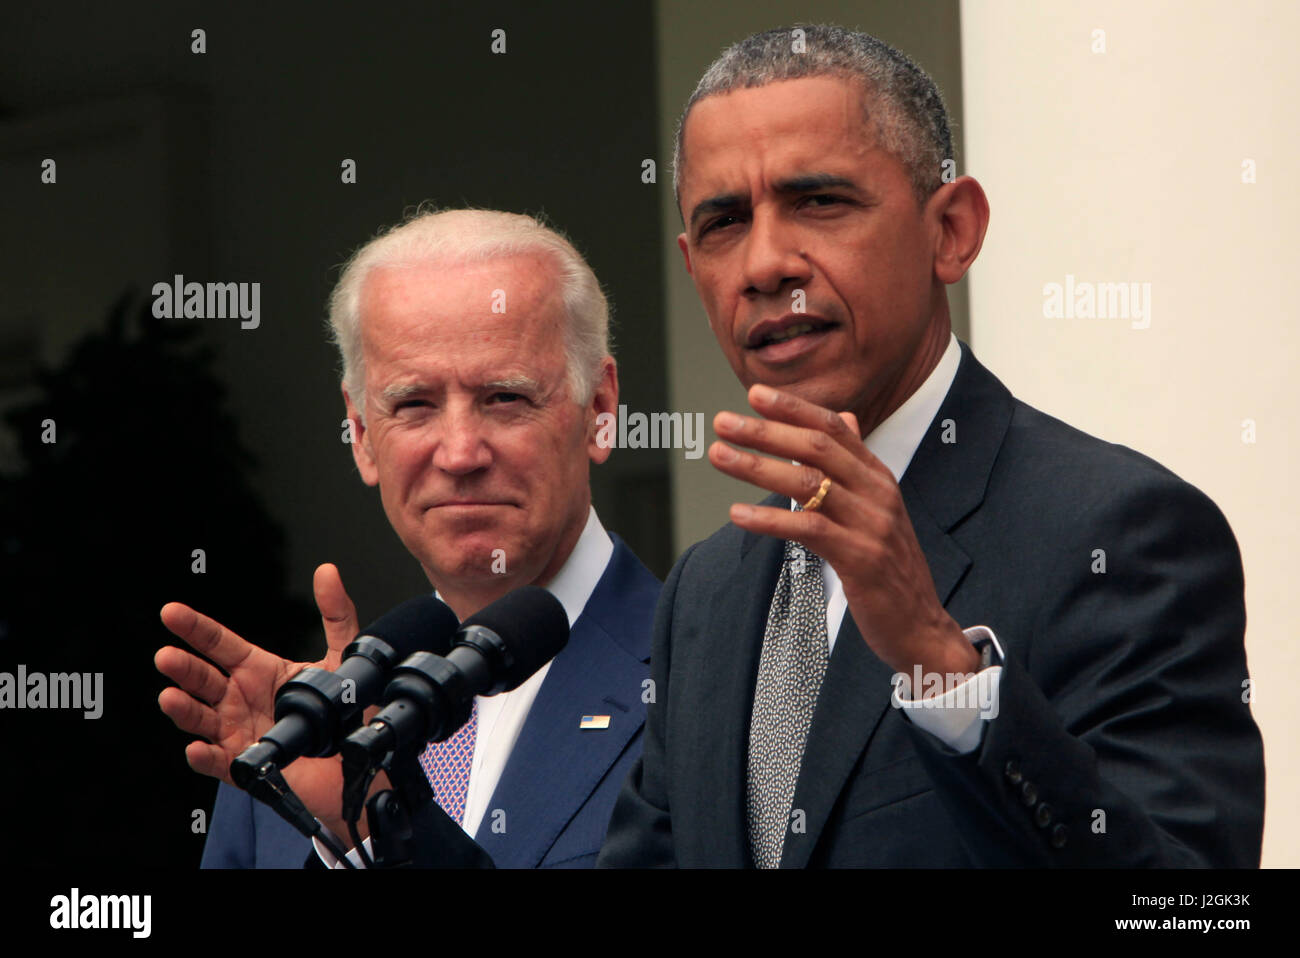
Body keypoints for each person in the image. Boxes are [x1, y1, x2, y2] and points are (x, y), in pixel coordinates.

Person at [597, 25, 1264, 867]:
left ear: (951, 230)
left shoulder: (1122, 533)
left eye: (819, 201)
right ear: (694, 268)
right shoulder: (708, 588)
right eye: (725, 221)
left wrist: (942, 666)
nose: (765, 264)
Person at [156, 208, 660, 869]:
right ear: (362, 435)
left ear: (599, 409)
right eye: (415, 405)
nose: (459, 453)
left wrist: (377, 829)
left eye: (504, 397)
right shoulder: (300, 741)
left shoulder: (711, 682)